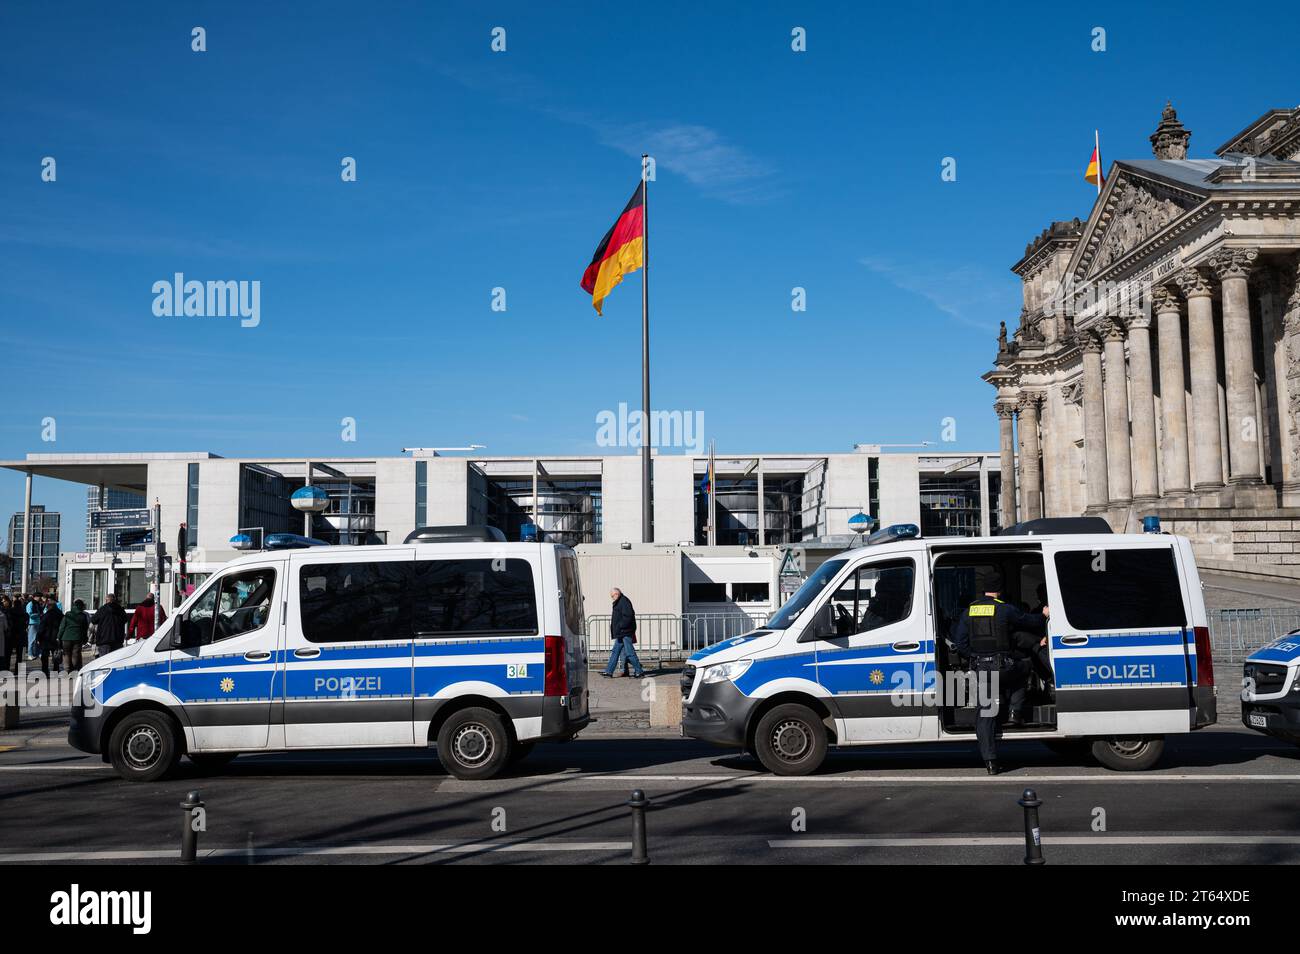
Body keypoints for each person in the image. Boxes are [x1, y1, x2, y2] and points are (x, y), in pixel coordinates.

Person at [951, 569, 1049, 775]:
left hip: (983, 670)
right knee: (1025, 667)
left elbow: (960, 642)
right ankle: (1015, 712)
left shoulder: (969, 610)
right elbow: (1029, 622)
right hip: (1005, 667)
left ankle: (991, 763)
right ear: (999, 590)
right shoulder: (1005, 610)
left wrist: (975, 656)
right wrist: (1043, 615)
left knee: (985, 714)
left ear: (984, 589)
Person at [601, 587, 645, 679]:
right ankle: (609, 671)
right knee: (615, 652)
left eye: (612, 596)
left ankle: (639, 671)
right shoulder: (620, 601)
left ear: (617, 594)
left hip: (625, 632)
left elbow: (628, 616)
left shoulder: (624, 601)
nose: (612, 598)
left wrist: (620, 626)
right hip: (621, 632)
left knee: (630, 652)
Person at [57, 599, 90, 673]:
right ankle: (74, 669)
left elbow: (62, 627)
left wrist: (58, 637)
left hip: (66, 637)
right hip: (78, 637)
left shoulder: (68, 614)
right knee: (76, 653)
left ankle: (67, 669)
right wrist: (85, 638)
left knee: (66, 653)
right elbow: (85, 628)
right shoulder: (83, 616)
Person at [35, 598, 64, 677]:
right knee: (56, 655)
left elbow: (41, 628)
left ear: (48, 607)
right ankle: (56, 670)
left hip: (46, 638)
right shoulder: (60, 615)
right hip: (56, 638)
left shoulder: (46, 615)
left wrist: (38, 638)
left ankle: (45, 671)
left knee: (44, 656)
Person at [25, 594, 43, 660]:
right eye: (39, 597)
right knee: (31, 640)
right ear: (35, 597)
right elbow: (29, 614)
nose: (40, 598)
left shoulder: (37, 604)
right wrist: (38, 614)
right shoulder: (30, 604)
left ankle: (37, 653)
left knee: (37, 640)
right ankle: (30, 654)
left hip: (37, 623)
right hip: (32, 623)